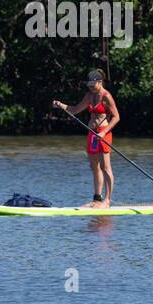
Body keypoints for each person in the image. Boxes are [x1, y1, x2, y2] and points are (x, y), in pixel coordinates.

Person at [53, 69, 118, 208]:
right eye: (89, 85)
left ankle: (107, 201)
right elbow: (75, 110)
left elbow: (117, 117)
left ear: (100, 82)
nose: (91, 87)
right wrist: (60, 105)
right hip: (92, 133)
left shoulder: (106, 96)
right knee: (94, 167)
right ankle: (97, 198)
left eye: (93, 85)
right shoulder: (89, 95)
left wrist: (104, 132)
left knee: (106, 167)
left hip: (103, 133)